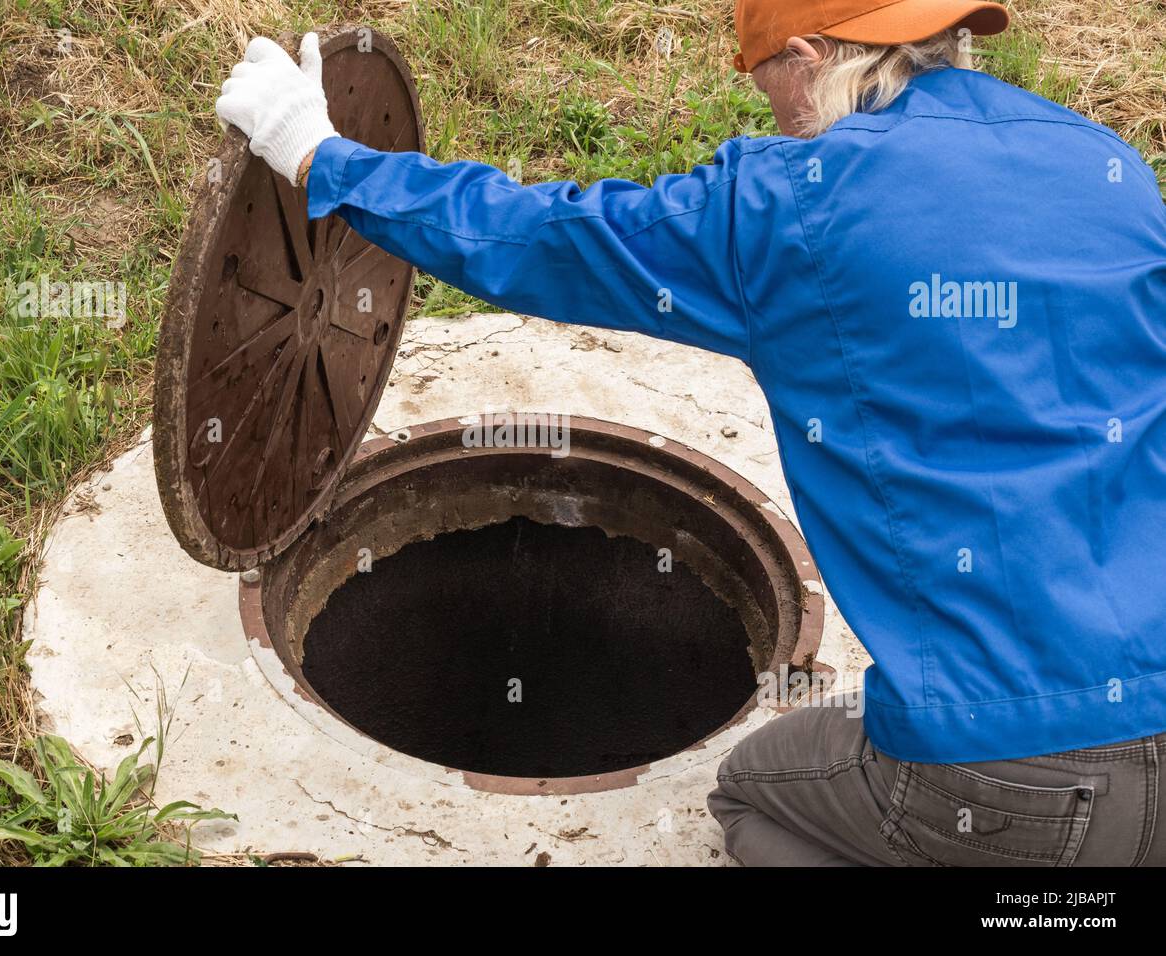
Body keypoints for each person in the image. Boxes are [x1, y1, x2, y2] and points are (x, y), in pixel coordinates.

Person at [215, 0, 1166, 865]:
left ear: (807, 57)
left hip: (1006, 772)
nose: (778, 123)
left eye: (771, 91)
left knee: (754, 799)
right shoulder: (1106, 168)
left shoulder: (793, 208)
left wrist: (320, 156)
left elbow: (544, 236)